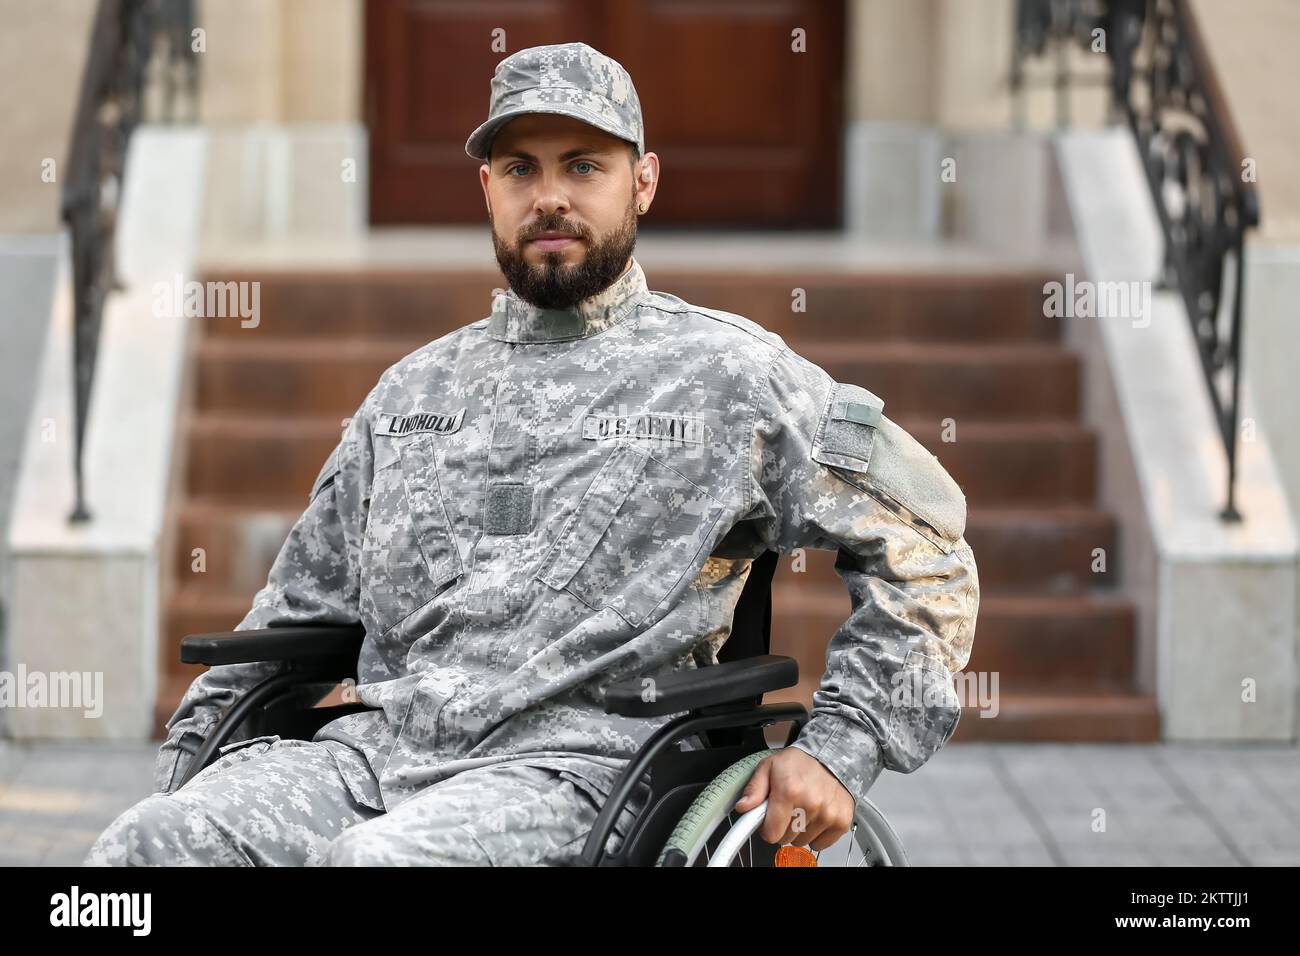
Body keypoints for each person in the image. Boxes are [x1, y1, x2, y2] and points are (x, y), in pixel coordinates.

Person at [85, 41, 979, 867]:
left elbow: (928, 553)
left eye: (583, 167)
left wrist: (838, 750)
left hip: (586, 776)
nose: (550, 196)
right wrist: (192, 770)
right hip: (374, 761)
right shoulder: (409, 396)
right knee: (150, 845)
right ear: (488, 191)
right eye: (522, 169)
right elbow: (284, 627)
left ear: (644, 183)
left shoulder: (733, 379)